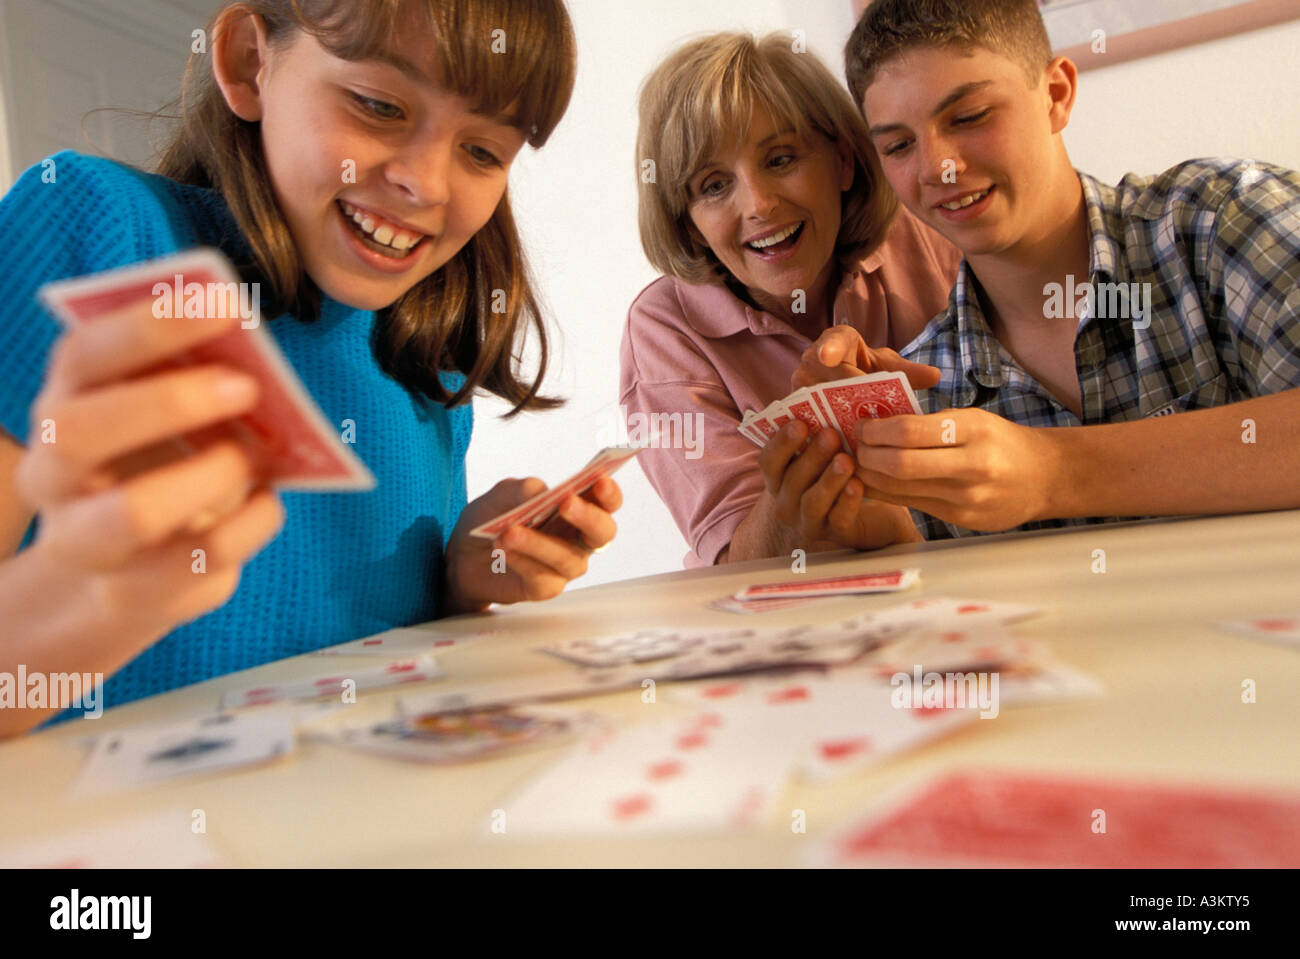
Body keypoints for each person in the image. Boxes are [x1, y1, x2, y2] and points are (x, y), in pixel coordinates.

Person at [0, 0, 622, 738]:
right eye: (379, 106)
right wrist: (72, 604)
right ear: (245, 62)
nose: (425, 184)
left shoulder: (430, 366)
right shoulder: (97, 227)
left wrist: (458, 580)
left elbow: (372, 656)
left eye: (484, 152)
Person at [788, 0, 1300, 541]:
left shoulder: (1222, 222)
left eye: (969, 117)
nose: (939, 168)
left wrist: (1053, 471)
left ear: (1056, 94)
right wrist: (853, 492)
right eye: (897, 145)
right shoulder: (928, 392)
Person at [620, 32, 960, 568]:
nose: (759, 203)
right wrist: (795, 497)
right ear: (687, 224)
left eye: (780, 159)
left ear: (845, 162)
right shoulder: (663, 330)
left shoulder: (926, 235)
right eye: (713, 186)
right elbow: (735, 558)